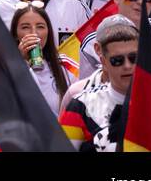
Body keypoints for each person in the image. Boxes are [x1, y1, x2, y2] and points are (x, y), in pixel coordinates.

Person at [59, 16, 140, 151]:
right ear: (103, 61)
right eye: (117, 60)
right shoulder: (80, 106)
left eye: (134, 58)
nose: (127, 66)